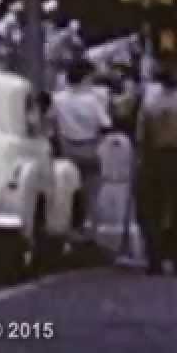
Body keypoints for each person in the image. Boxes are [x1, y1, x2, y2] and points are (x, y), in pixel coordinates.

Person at [136, 64, 177, 276]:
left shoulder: (150, 106)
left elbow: (140, 137)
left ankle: (155, 259)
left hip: (155, 158)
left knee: (153, 209)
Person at [50, 60, 114, 228]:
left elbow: (51, 123)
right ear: (85, 78)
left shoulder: (57, 99)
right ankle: (91, 231)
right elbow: (106, 125)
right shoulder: (93, 101)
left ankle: (69, 228)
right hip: (90, 151)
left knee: (67, 195)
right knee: (92, 196)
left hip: (67, 152)